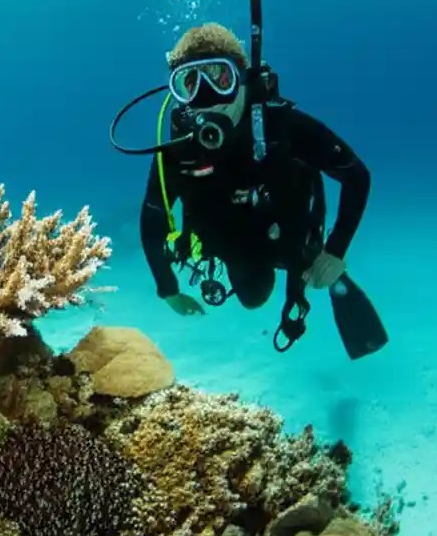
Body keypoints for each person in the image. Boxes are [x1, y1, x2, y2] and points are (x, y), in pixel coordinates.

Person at [136, 22, 371, 328]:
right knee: (252, 297)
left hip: (289, 237)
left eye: (220, 77)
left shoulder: (283, 127)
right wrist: (168, 290)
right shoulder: (181, 150)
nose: (207, 95)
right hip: (231, 244)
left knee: (301, 272)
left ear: (244, 78)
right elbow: (153, 214)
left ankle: (324, 274)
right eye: (189, 82)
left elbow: (357, 175)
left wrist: (335, 250)